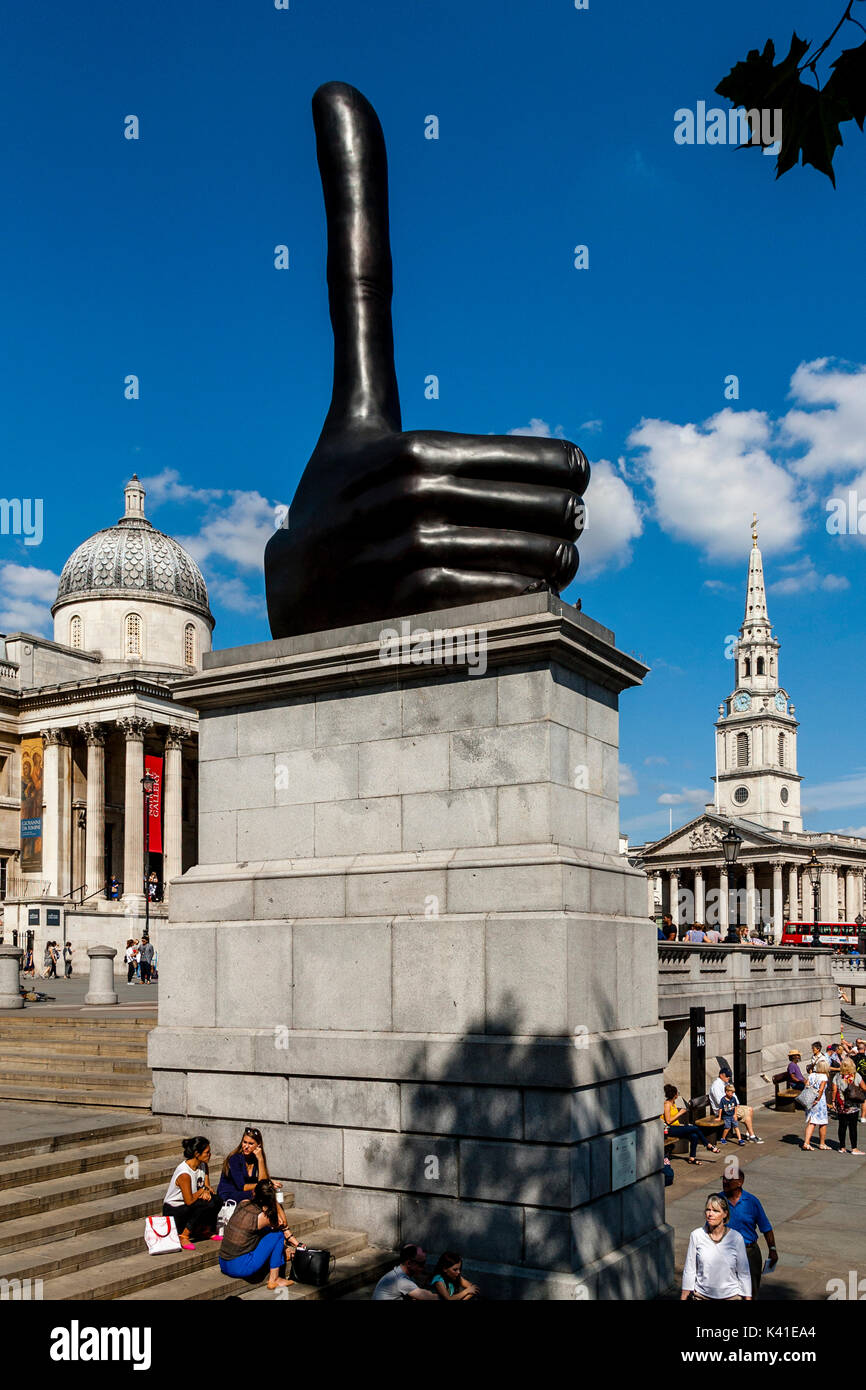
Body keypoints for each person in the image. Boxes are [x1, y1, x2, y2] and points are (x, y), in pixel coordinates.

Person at [219, 1179, 303, 1291]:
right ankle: (275, 1279)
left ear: (254, 1192)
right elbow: (283, 1223)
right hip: (239, 1267)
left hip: (223, 1262)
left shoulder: (243, 1203)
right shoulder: (263, 1217)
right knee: (277, 1235)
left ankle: (282, 1255)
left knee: (266, 1231)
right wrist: (274, 1198)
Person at [719, 1164, 778, 1297]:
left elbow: (766, 1228)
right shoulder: (717, 1200)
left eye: (728, 1179)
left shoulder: (751, 1201)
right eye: (723, 1178)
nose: (724, 1182)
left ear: (740, 1182)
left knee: (750, 1291)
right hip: (724, 1252)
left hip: (749, 1253)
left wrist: (772, 1249)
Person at [681, 1194, 751, 1300]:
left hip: (731, 1296)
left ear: (725, 1214)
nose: (710, 1214)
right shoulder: (696, 1235)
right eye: (708, 1210)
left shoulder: (736, 1238)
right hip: (701, 1296)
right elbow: (690, 1269)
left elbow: (744, 1272)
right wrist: (684, 1295)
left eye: (716, 1211)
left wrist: (747, 1297)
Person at [162, 1136, 219, 1249]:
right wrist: (202, 1191)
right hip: (175, 1209)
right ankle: (184, 1235)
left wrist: (207, 1191)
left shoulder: (203, 1165)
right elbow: (189, 1201)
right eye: (207, 1152)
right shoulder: (184, 1173)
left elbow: (207, 1186)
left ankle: (204, 1230)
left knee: (216, 1200)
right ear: (197, 1154)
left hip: (191, 1203)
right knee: (202, 1204)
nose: (210, 1155)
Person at [217, 1125, 282, 1206]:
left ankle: (277, 1218)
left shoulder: (256, 1158)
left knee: (268, 1193)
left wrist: (260, 1159)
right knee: (263, 1194)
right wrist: (268, 1184)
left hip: (244, 1193)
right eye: (244, 1142)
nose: (246, 1146)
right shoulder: (235, 1159)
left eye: (251, 1143)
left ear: (258, 1145)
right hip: (229, 1195)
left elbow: (263, 1181)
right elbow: (242, 1187)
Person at [663, 1084, 720, 1165]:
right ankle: (708, 1145)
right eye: (677, 1093)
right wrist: (680, 1113)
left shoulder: (673, 1103)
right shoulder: (667, 1104)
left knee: (694, 1136)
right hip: (669, 1129)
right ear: (675, 1095)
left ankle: (692, 1158)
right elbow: (668, 1121)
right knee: (694, 1128)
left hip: (676, 1127)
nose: (678, 1095)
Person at [708, 1067, 763, 1141]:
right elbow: (720, 1102)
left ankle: (748, 1133)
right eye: (727, 1076)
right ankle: (752, 1135)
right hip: (723, 1110)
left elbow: (733, 1095)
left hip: (731, 1107)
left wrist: (736, 1104)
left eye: (729, 1076)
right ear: (721, 1075)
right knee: (746, 1113)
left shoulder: (726, 1083)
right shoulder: (716, 1086)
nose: (728, 1077)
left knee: (750, 1109)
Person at [372, 1243, 438, 1300]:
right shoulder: (402, 1281)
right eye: (421, 1264)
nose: (424, 1267)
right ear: (409, 1263)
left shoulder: (397, 1272)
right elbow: (430, 1297)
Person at [830, 1059, 866, 1154]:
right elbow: (864, 1087)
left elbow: (834, 1090)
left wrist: (833, 1101)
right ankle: (854, 1148)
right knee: (853, 1127)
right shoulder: (856, 1075)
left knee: (842, 1126)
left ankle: (842, 1147)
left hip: (841, 1105)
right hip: (853, 1105)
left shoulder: (837, 1076)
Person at [803, 1058, 830, 1151]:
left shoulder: (812, 1075)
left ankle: (806, 1142)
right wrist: (817, 1100)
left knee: (812, 1121)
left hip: (810, 1099)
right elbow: (821, 1090)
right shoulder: (824, 1077)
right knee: (823, 1122)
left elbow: (806, 1086)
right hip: (820, 1101)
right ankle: (822, 1143)